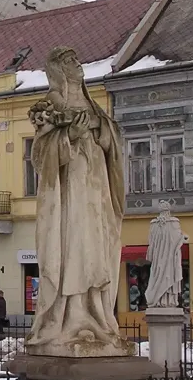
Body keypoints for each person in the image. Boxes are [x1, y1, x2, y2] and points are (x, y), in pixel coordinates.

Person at [26, 47, 127, 355]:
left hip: (96, 189)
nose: (78, 64)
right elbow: (40, 157)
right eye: (70, 61)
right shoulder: (51, 105)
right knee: (72, 246)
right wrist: (69, 135)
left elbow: (113, 142)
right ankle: (69, 316)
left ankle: (97, 314)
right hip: (70, 193)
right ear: (58, 69)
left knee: (97, 245)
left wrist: (99, 128)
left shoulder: (93, 105)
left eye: (77, 59)